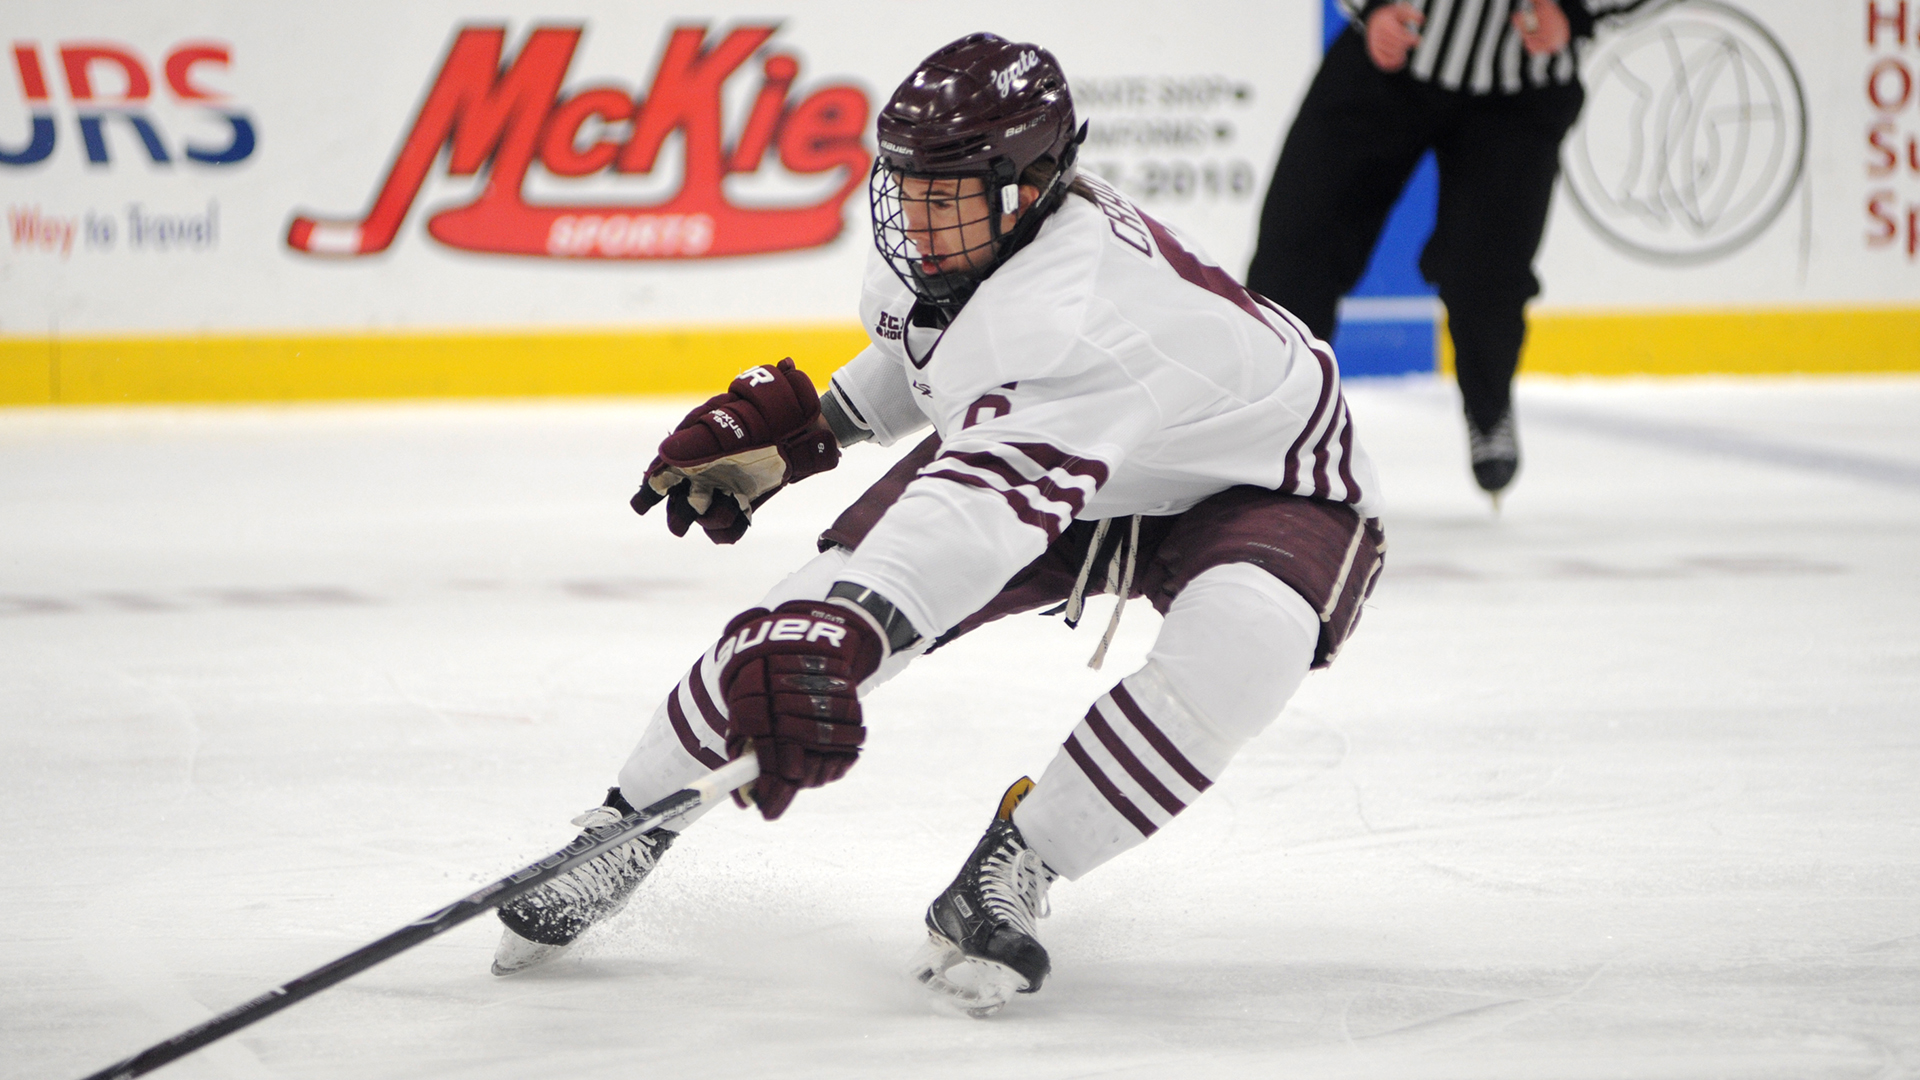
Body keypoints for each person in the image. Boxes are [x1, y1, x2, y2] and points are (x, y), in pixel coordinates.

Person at [489, 32, 1386, 1016]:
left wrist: (851, 631)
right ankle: (624, 825)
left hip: (1265, 475)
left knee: (1247, 640)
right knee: (806, 607)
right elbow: (937, 357)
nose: (915, 218)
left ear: (1035, 182)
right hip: (1098, 434)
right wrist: (815, 428)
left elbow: (975, 518)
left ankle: (1025, 861)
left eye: (945, 195)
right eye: (906, 186)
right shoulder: (980, 243)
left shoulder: (1076, 321)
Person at [1246, 0, 1652, 500]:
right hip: (1388, 59)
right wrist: (1371, 8)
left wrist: (1574, 11)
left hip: (1522, 88)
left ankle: (1489, 402)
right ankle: (1267, 425)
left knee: (1487, 272)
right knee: (1297, 246)